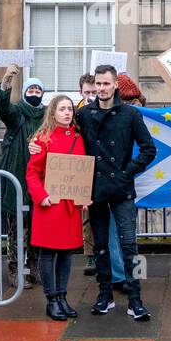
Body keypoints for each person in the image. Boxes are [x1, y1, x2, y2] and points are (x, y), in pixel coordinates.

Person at [79, 65, 157, 319]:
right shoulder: (85, 115)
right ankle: (105, 296)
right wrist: (38, 143)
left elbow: (149, 149)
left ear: (115, 85)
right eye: (98, 84)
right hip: (96, 188)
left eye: (105, 84)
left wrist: (128, 172)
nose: (101, 88)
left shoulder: (130, 114)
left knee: (129, 245)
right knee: (101, 245)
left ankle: (135, 299)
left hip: (122, 188)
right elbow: (64, 136)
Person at [25, 94, 86, 321]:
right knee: (49, 252)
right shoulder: (42, 139)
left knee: (66, 253)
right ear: (53, 112)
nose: (67, 113)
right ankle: (51, 299)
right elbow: (32, 172)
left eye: (69, 109)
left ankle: (62, 296)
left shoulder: (78, 137)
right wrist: (40, 196)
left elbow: (82, 170)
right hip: (50, 204)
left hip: (70, 205)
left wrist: (84, 196)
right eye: (62, 109)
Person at [0, 67, 46, 285]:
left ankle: (34, 265)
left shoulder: (47, 115)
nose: (34, 93)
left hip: (40, 177)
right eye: (31, 89)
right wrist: (6, 81)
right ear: (24, 92)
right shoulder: (17, 113)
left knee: (38, 223)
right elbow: (1, 107)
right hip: (17, 173)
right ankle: (15, 267)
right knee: (16, 224)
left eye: (38, 90)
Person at [75, 71, 99, 274]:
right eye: (87, 92)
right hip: (82, 167)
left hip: (102, 167)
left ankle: (104, 254)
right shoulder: (74, 113)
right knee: (87, 214)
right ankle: (90, 255)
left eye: (94, 91)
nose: (91, 95)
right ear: (80, 92)